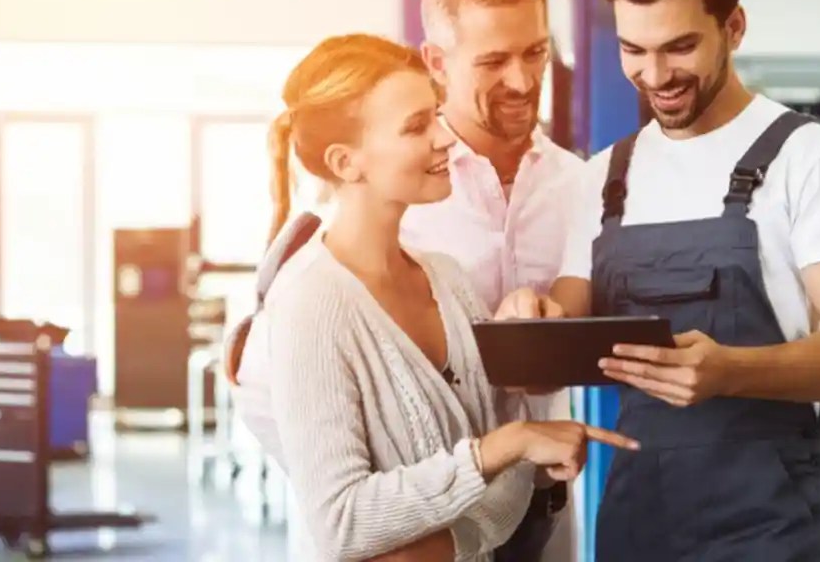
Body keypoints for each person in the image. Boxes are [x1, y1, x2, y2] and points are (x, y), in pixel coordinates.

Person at [508, 0, 820, 560]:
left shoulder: (809, 158)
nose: (656, 75)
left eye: (679, 47)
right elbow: (570, 319)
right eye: (634, 50)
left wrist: (729, 371)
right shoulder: (606, 177)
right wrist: (532, 316)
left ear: (733, 27)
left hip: (765, 528)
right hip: (635, 519)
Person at [230, 33, 637, 562]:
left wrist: (450, 542)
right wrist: (503, 447)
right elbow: (343, 522)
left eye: (437, 116)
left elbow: (511, 481)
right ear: (346, 162)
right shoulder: (310, 302)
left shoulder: (446, 280)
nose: (446, 138)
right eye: (417, 126)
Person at [400, 0, 582, 562]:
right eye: (494, 61)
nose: (523, 81)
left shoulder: (578, 185)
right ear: (437, 62)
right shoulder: (396, 189)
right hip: (425, 522)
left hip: (545, 511)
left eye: (535, 53)